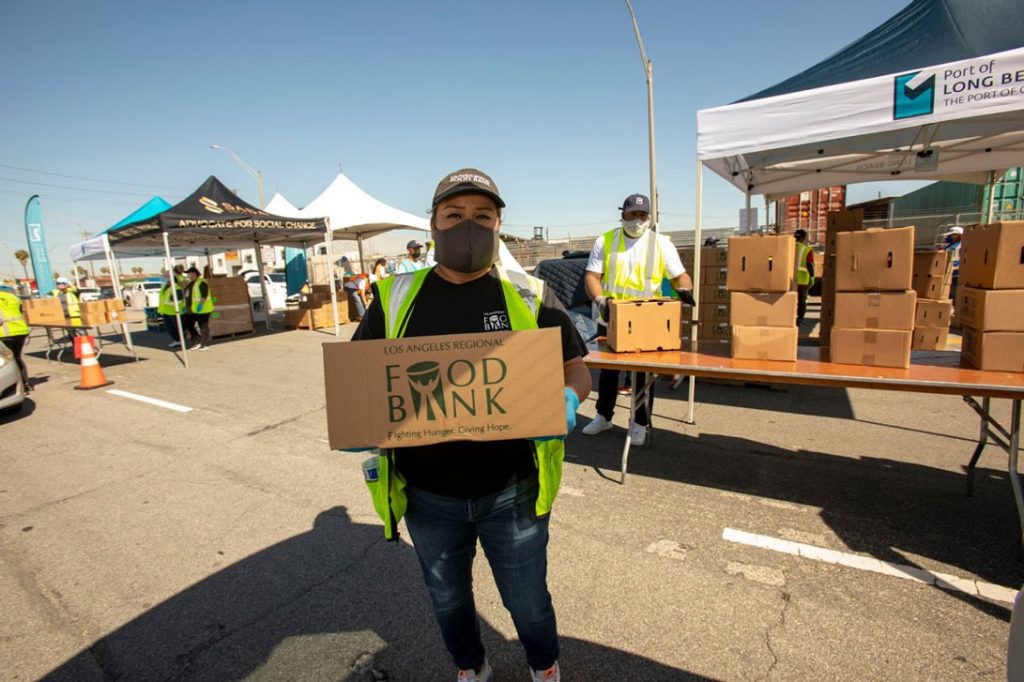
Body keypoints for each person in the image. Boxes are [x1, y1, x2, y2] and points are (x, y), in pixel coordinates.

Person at [352, 167, 591, 682]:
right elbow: (360, 378)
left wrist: (569, 398)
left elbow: (576, 365)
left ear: (499, 225)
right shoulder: (393, 297)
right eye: (454, 215)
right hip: (428, 495)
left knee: (528, 604)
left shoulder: (529, 294)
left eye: (482, 216)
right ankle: (470, 667)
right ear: (433, 224)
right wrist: (359, 417)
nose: (469, 226)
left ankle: (543, 666)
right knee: (448, 600)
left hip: (512, 490)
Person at [582, 193, 693, 446]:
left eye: (642, 215)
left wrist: (685, 289)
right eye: (632, 215)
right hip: (610, 315)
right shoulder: (606, 240)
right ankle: (603, 416)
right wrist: (600, 300)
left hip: (646, 321)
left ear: (649, 217)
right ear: (623, 215)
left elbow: (680, 277)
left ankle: (640, 422)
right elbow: (592, 277)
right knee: (609, 372)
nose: (637, 220)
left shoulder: (662, 244)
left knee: (643, 375)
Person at [0, 283, 31, 391]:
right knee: (19, 358)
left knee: (8, 362)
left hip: (4, 334)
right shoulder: (13, 297)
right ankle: (26, 384)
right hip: (22, 331)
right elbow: (21, 311)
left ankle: (17, 387)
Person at [182, 266, 213, 351]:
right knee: (188, 324)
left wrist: (200, 305)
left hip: (202, 309)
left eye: (189, 274)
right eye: (188, 274)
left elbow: (204, 295)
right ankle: (197, 340)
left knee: (203, 326)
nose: (188, 275)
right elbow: (187, 296)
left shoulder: (202, 282)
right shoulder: (189, 284)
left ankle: (204, 344)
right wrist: (185, 307)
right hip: (191, 309)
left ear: (194, 274)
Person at [157, 270, 185, 349]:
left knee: (177, 328)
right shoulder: (165, 287)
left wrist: (173, 298)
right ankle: (176, 340)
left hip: (174, 312)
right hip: (166, 311)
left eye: (166, 278)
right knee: (169, 327)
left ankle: (180, 340)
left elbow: (179, 299)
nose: (165, 280)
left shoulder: (176, 288)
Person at [794, 229, 815, 324]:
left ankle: (789, 317)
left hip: (790, 279)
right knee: (802, 301)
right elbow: (810, 264)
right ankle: (800, 319)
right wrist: (812, 276)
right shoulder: (807, 249)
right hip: (802, 280)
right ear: (804, 238)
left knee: (791, 300)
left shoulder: (788, 247)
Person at [941, 226, 963, 301]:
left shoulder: (960, 245)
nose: (950, 236)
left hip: (956, 272)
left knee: (954, 292)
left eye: (953, 235)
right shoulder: (950, 245)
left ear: (959, 235)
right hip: (948, 271)